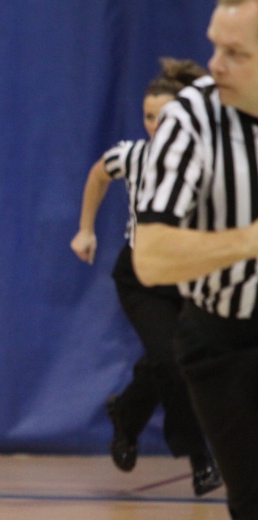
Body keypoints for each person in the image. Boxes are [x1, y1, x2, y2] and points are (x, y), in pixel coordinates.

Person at [133, 2, 258, 520]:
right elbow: (152, 256)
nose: (215, 63)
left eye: (237, 52)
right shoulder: (194, 117)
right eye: (215, 45)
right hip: (227, 339)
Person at [71, 58, 222, 496]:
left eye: (166, 117)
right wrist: (85, 229)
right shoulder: (134, 155)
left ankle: (127, 415)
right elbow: (100, 173)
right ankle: (200, 461)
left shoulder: (211, 157)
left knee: (177, 358)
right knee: (175, 362)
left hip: (193, 275)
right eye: (149, 117)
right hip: (142, 275)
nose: (156, 126)